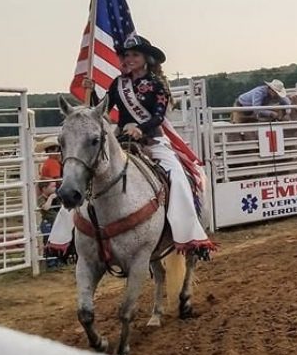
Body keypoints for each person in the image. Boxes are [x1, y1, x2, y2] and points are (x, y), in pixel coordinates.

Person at [47, 34, 215, 259]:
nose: (130, 58)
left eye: (135, 54)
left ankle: (189, 235)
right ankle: (64, 239)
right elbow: (102, 109)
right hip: (121, 141)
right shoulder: (119, 84)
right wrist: (93, 89)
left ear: (147, 58)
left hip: (153, 141)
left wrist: (141, 129)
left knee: (177, 176)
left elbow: (158, 116)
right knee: (87, 175)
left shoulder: (157, 85)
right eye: (127, 55)